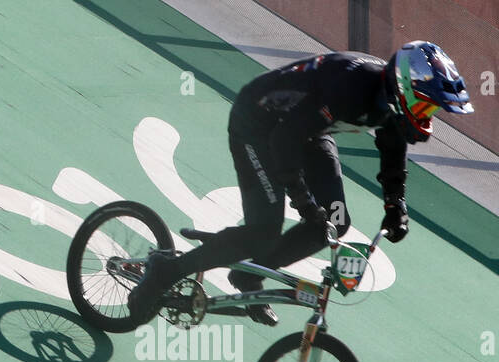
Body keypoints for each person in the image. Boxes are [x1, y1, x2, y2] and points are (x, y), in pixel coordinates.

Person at [128, 41, 473, 325]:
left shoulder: (390, 101)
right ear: (406, 90)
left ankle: (250, 274)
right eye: (427, 108)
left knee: (335, 223)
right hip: (259, 127)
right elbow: (283, 141)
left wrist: (394, 203)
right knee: (263, 231)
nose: (429, 118)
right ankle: (166, 270)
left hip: (306, 130)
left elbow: (393, 145)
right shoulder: (353, 88)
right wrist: (303, 201)